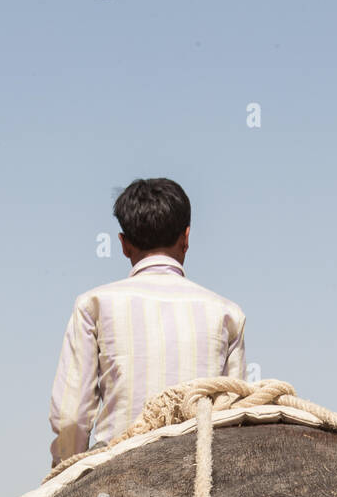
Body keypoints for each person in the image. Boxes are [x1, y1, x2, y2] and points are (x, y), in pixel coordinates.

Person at [49, 178, 246, 465]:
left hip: (115, 466)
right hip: (198, 467)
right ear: (186, 237)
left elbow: (71, 417)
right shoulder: (227, 314)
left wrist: (63, 474)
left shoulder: (93, 305)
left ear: (124, 244)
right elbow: (232, 416)